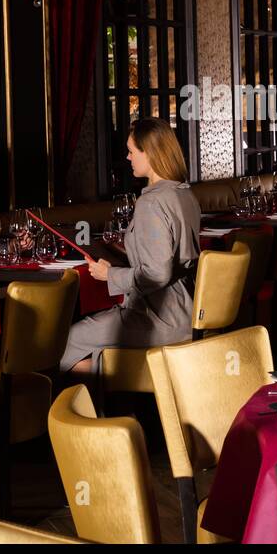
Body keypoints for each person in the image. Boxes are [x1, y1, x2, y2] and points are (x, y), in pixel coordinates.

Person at [61, 118, 201, 373]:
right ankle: (117, 395)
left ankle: (87, 408)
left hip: (157, 320)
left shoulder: (151, 203)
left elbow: (158, 273)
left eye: (131, 151)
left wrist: (109, 275)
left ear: (150, 153)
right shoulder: (184, 193)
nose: (127, 158)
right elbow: (167, 256)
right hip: (188, 315)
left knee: (65, 341)